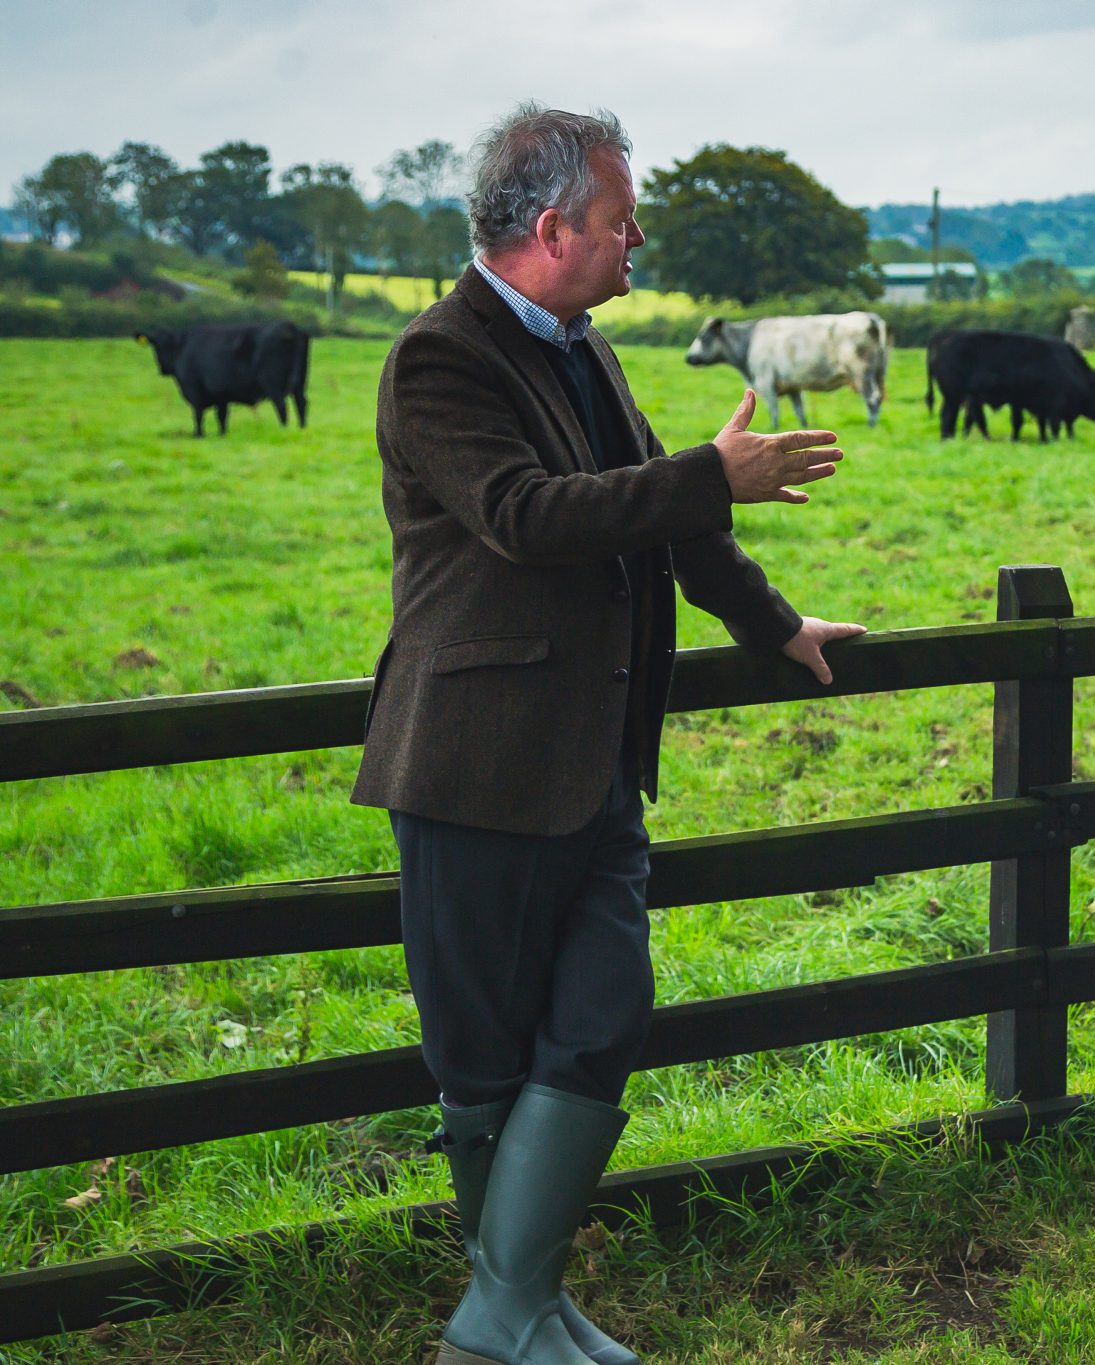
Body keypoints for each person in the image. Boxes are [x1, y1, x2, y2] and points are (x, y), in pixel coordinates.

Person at [350, 104, 864, 1365]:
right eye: (620, 218)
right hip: (478, 763)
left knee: (601, 1018)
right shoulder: (440, 357)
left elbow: (675, 531)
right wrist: (710, 472)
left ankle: (506, 1312)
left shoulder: (585, 348)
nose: (637, 237)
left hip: (596, 765)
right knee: (485, 1060)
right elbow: (525, 515)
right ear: (550, 230)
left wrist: (778, 627)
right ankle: (518, 1311)